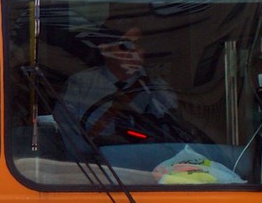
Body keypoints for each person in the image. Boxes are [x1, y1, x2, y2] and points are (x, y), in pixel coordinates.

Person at [58, 25, 182, 153]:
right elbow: (66, 129)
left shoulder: (155, 87)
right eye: (125, 46)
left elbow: (171, 133)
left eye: (138, 45)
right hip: (91, 167)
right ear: (105, 49)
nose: (133, 52)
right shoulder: (81, 83)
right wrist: (89, 159)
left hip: (145, 164)